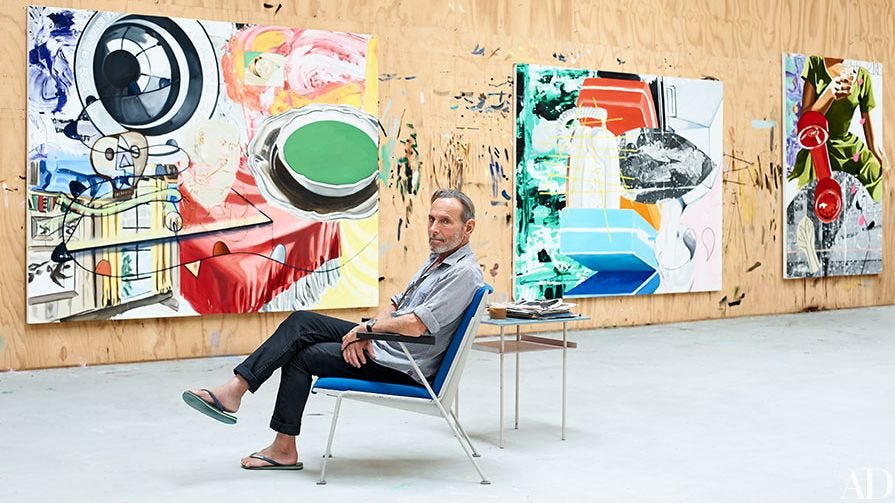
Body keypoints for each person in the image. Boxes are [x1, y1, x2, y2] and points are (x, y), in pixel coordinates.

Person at [182, 188, 483, 470]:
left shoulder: (463, 273)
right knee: (301, 322)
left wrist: (366, 331)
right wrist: (367, 333)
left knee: (302, 354)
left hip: (402, 364)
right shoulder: (437, 260)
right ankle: (240, 396)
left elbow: (416, 325)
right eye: (431, 219)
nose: (433, 228)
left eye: (445, 221)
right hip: (386, 345)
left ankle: (270, 434)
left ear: (467, 228)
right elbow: (395, 305)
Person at [789, 56, 887, 202]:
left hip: (850, 150)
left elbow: (873, 144)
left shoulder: (862, 75)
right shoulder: (815, 62)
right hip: (818, 147)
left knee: (879, 184)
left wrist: (888, 167)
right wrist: (829, 93)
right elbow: (804, 122)